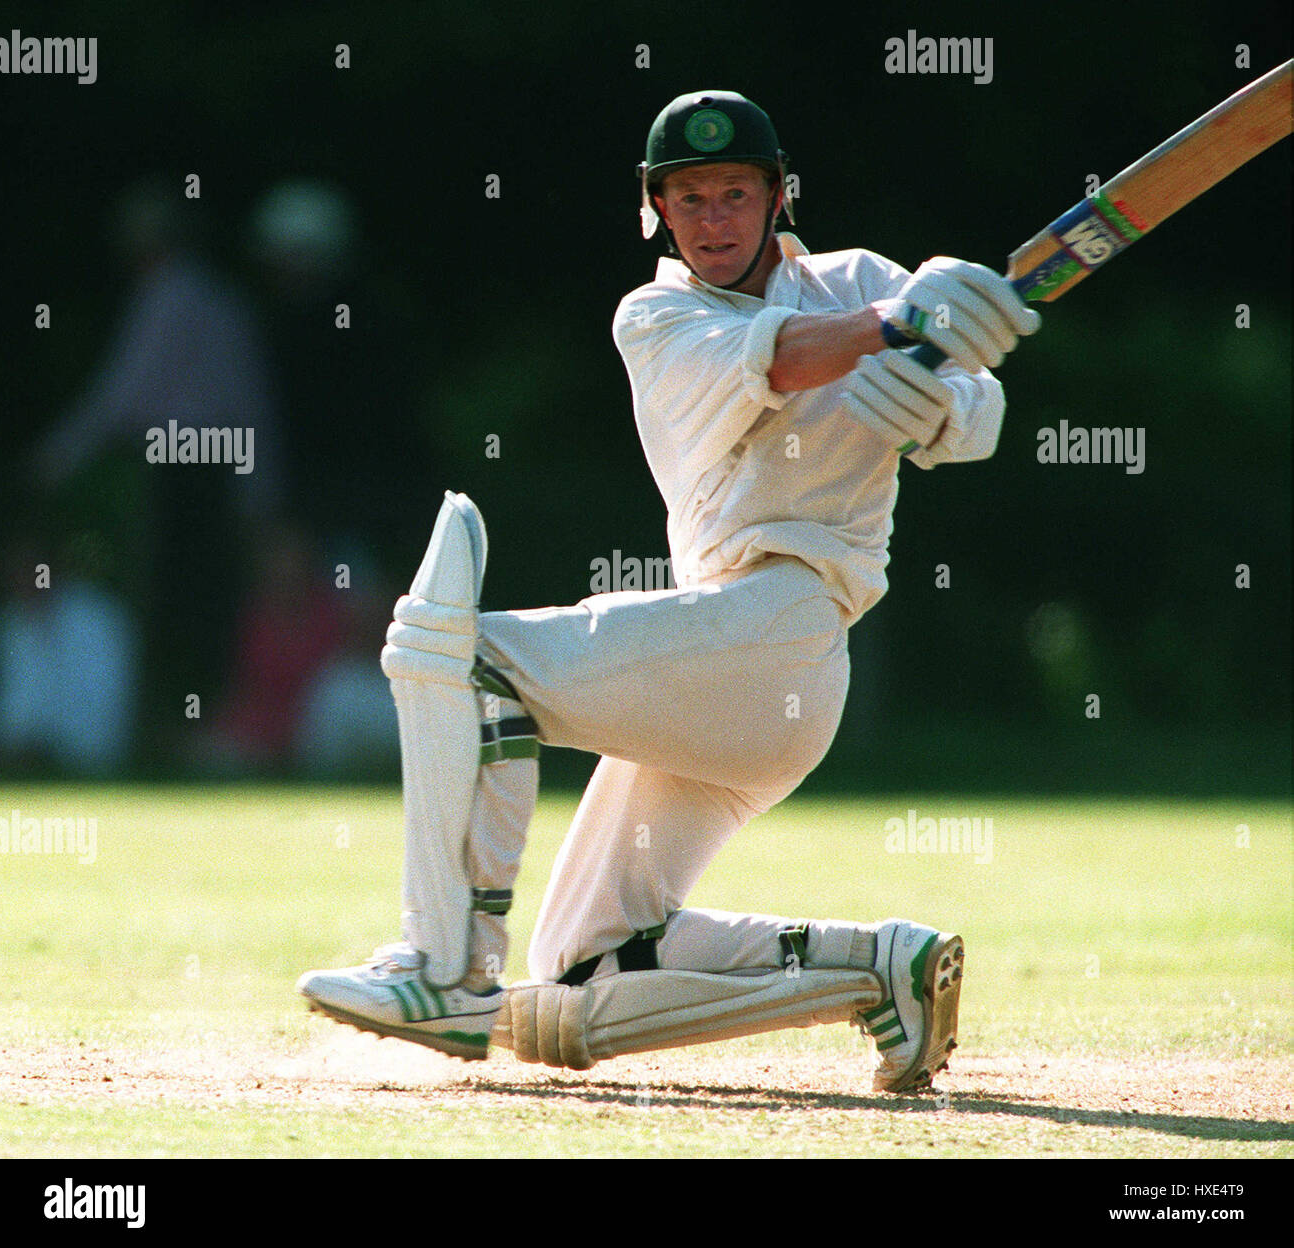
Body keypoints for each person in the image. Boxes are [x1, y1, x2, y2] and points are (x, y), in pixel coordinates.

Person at [298, 90, 1040, 1092]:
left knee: (456, 653)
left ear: (779, 195)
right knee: (578, 976)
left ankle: (444, 972)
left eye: (735, 192)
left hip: (788, 637)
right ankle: (883, 969)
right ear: (655, 209)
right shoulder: (656, 316)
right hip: (727, 666)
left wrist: (948, 406)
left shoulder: (857, 277)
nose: (714, 218)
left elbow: (977, 397)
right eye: (688, 198)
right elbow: (783, 355)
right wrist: (892, 329)